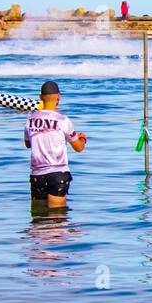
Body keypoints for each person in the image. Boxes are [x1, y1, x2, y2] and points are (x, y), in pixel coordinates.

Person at [24, 80, 87, 208]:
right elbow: (78, 148)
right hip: (58, 173)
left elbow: (28, 144)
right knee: (57, 216)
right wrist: (83, 138)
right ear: (59, 97)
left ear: (40, 97)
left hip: (37, 175)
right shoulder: (63, 120)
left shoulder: (30, 120)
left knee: (38, 217)